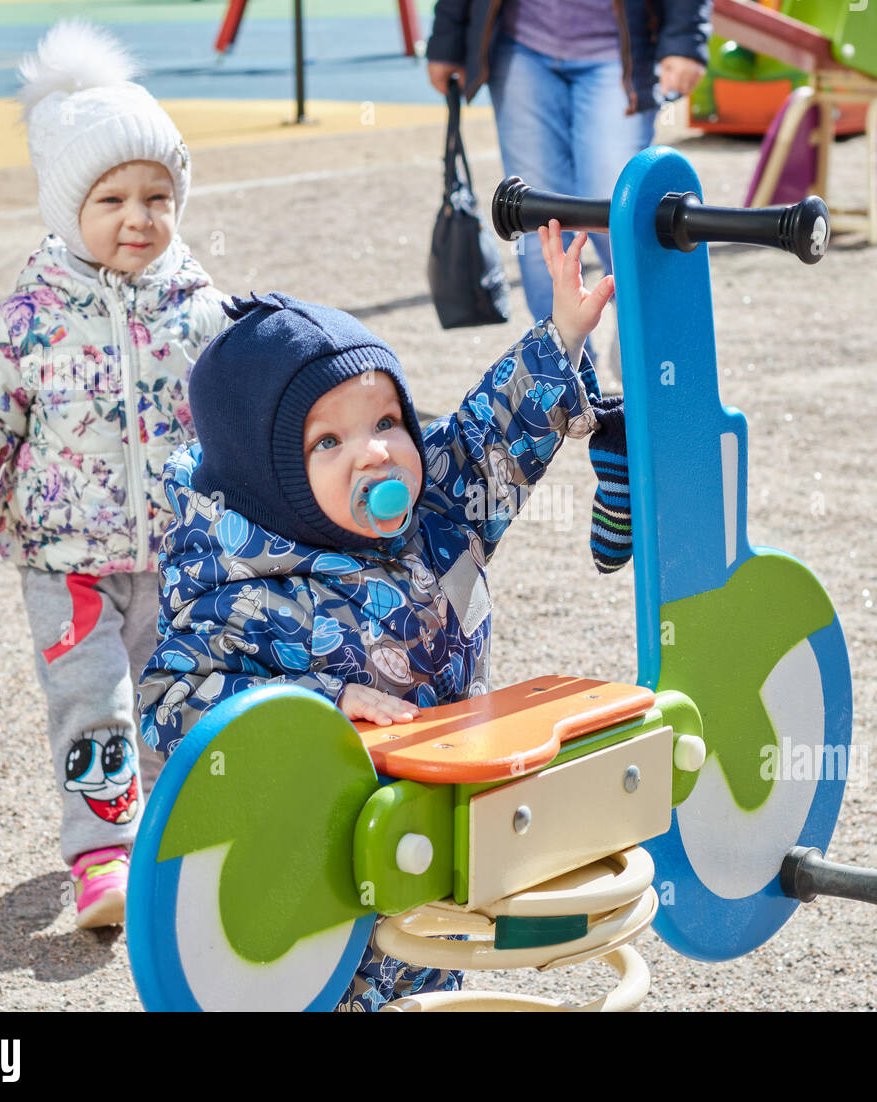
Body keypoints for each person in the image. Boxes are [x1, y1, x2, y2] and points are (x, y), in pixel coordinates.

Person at [137, 222, 630, 1010]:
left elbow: (493, 435)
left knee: (433, 965)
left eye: (386, 422)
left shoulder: (437, 510)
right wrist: (322, 709)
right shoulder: (236, 582)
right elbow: (169, 701)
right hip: (316, 879)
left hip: (431, 838)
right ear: (270, 481)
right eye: (327, 441)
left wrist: (563, 335)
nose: (374, 454)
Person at [0, 21, 229, 928]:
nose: (140, 218)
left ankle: (172, 835)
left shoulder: (199, 308)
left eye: (158, 196)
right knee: (95, 704)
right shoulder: (31, 316)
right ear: (69, 210)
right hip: (67, 563)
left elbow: (241, 408)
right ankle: (102, 856)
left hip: (173, 552)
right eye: (113, 198)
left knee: (174, 693)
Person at [424, 1, 709, 344]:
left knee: (620, 207)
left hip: (619, 50)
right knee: (537, 220)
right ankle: (562, 367)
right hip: (522, 45)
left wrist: (684, 40)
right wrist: (447, 39)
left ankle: (643, 339)